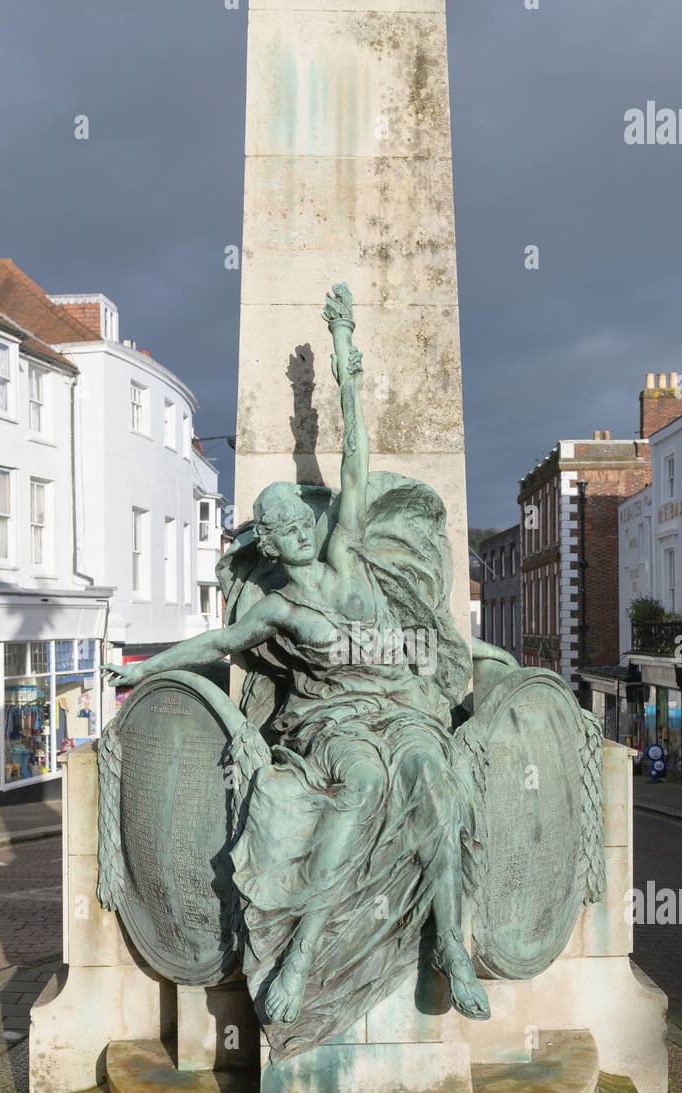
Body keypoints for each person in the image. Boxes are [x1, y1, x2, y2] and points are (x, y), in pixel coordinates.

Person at [104, 288, 490, 1053]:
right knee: (363, 787)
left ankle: (451, 941)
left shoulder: (347, 546)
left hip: (402, 708)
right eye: (276, 527)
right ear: (271, 544)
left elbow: (354, 459)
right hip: (332, 721)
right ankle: (305, 948)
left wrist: (342, 364)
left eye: (295, 520)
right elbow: (216, 647)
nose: (292, 532)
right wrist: (141, 669)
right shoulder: (277, 611)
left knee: (433, 781)